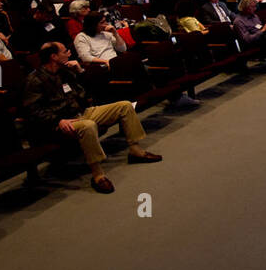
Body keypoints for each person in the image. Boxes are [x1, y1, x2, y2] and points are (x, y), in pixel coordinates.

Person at [21, 41, 162, 193]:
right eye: (65, 51)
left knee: (125, 106)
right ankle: (98, 175)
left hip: (81, 112)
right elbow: (32, 110)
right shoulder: (35, 80)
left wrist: (80, 71)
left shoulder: (65, 72)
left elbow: (88, 92)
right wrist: (57, 120)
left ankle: (135, 151)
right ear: (53, 56)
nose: (69, 53)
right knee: (88, 126)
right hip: (60, 121)